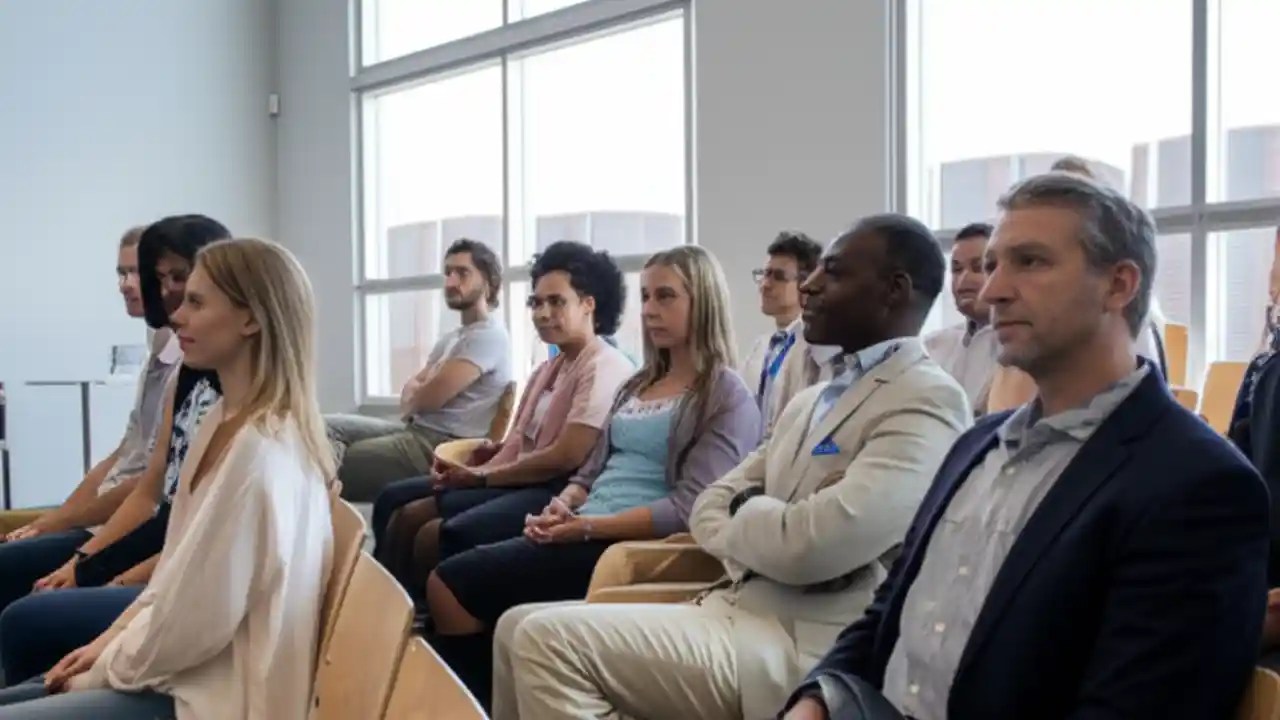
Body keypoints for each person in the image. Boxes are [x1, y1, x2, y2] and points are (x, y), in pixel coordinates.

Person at [782, 173, 1267, 720]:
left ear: (1118, 285)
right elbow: (884, 617)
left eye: (1030, 262)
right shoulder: (975, 446)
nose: (992, 290)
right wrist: (817, 698)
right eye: (992, 265)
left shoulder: (1197, 485)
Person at [496, 215, 971, 720]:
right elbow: (711, 505)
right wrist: (769, 521)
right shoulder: (811, 400)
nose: (809, 285)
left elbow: (809, 547)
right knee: (513, 627)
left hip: (802, 641)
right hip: (735, 603)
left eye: (832, 272)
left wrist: (750, 514)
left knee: (547, 643)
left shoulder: (926, 398)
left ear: (894, 290)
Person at [0, 238, 336, 719]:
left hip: (214, 695)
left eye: (195, 302)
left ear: (250, 319)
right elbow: (173, 576)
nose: (176, 315)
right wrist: (107, 641)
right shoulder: (221, 419)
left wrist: (105, 666)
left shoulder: (261, 454)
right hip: (179, 670)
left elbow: (198, 625)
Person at [428, 245, 762, 708]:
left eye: (665, 296)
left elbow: (690, 509)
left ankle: (463, 708)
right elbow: (589, 471)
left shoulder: (725, 394)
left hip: (629, 549)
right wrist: (563, 504)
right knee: (465, 580)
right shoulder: (639, 383)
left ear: (703, 302)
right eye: (645, 297)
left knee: (449, 585)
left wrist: (586, 527)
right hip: (582, 527)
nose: (649, 309)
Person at [0, 216, 228, 628]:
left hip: (159, 557)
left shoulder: (239, 411)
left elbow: (182, 525)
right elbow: (142, 473)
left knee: (24, 616)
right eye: (129, 274)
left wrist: (95, 569)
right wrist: (75, 550)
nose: (135, 285)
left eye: (179, 280)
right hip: (126, 531)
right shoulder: (177, 365)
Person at [373, 241, 634, 593]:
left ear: (589, 304)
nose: (542, 313)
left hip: (554, 487)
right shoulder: (549, 367)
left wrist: (483, 477)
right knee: (391, 499)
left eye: (556, 302)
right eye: (536, 303)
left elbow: (566, 457)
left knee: (425, 527)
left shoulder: (604, 364)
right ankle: (383, 607)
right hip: (520, 476)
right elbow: (519, 440)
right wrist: (488, 455)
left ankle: (413, 614)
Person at [329, 238, 512, 502]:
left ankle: (325, 494)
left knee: (326, 461)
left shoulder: (489, 336)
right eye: (448, 273)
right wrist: (418, 394)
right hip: (413, 431)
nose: (451, 282)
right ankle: (325, 493)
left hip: (438, 446)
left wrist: (419, 393)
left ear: (488, 282)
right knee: (322, 427)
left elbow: (428, 398)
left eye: (462, 273)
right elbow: (412, 395)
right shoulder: (453, 337)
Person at [740, 231, 825, 431]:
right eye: (765, 274)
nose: (765, 285)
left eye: (778, 277)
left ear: (806, 284)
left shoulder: (816, 350)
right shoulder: (760, 347)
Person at [924, 222, 999, 414]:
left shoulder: (1022, 349)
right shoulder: (932, 347)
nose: (963, 279)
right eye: (957, 269)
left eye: (977, 268)